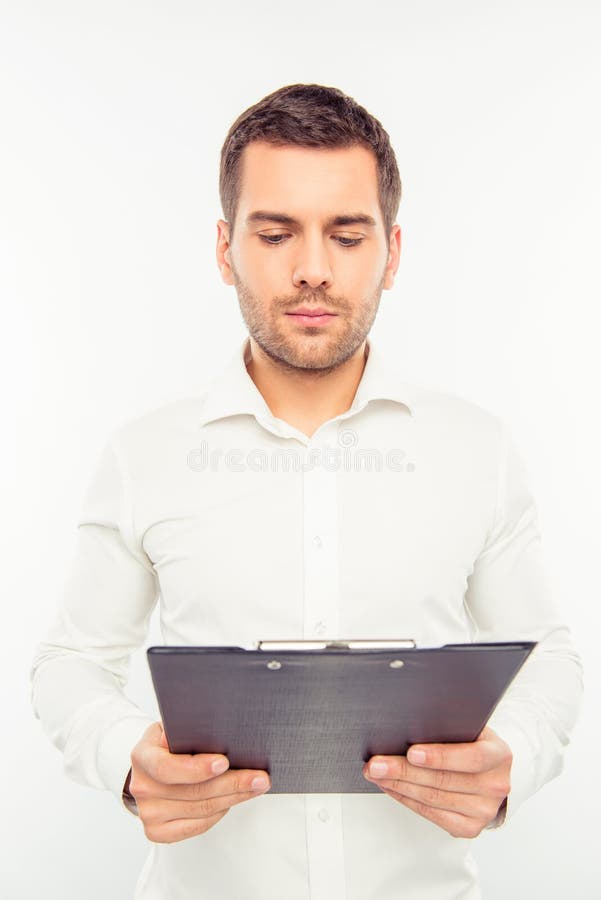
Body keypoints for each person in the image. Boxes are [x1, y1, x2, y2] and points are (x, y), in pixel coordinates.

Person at [30, 83, 583, 900]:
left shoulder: (478, 450)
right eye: (276, 232)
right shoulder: (142, 454)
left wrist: (513, 759)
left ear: (392, 253)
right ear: (225, 250)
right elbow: (70, 662)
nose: (313, 270)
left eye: (347, 235)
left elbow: (549, 658)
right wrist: (125, 756)